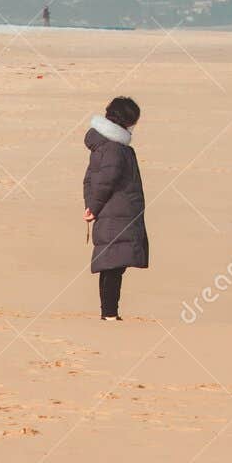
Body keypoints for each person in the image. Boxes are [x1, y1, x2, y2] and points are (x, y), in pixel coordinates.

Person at [83, 96, 149, 321]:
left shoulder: (107, 145)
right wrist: (93, 207)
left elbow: (91, 180)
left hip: (114, 211)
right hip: (116, 211)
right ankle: (109, 313)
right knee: (113, 265)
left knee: (112, 263)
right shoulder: (114, 148)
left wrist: (91, 205)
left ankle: (109, 312)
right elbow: (104, 181)